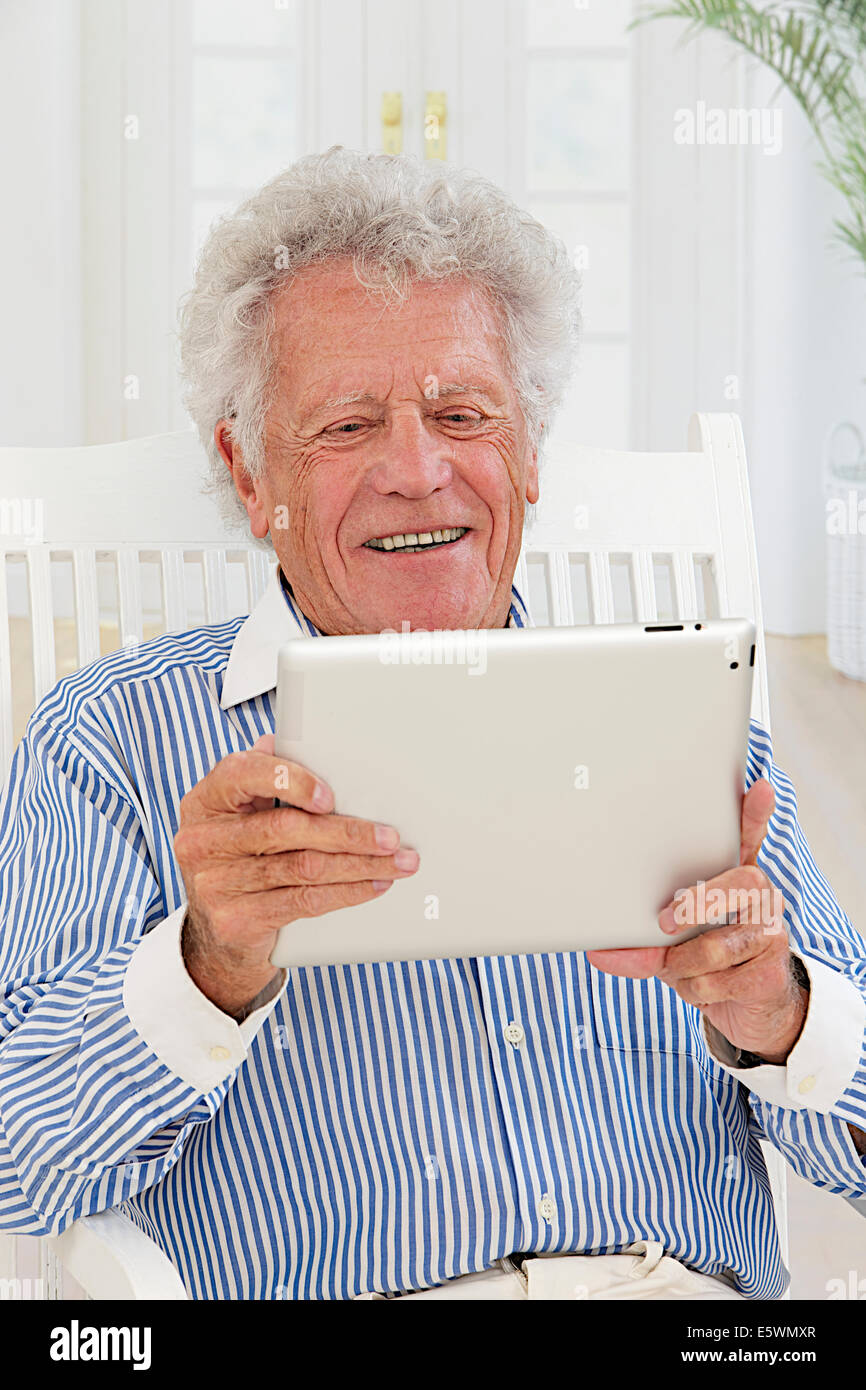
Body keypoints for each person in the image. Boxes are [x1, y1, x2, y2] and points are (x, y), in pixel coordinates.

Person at [1, 147, 864, 1301]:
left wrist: (780, 1015)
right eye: (347, 426)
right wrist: (201, 966)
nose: (417, 471)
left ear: (530, 451)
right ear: (247, 470)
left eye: (462, 413)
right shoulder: (108, 742)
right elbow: (20, 1170)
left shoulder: (692, 720)